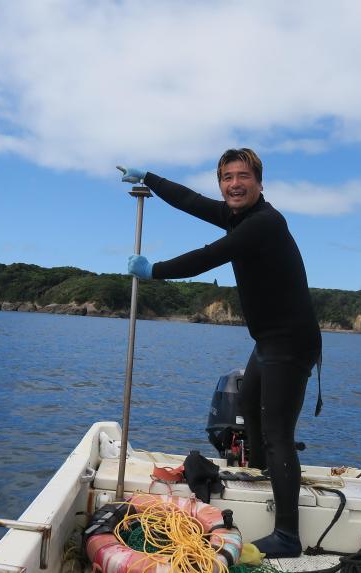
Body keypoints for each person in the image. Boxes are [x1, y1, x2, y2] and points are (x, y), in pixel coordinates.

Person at [117, 148, 321, 558]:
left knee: (279, 432)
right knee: (247, 400)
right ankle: (265, 470)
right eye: (227, 177)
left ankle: (287, 535)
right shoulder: (238, 215)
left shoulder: (263, 223)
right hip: (268, 340)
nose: (234, 184)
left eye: (243, 176)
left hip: (291, 341)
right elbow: (192, 202)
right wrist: (151, 179)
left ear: (260, 183)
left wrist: (154, 270)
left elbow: (208, 256)